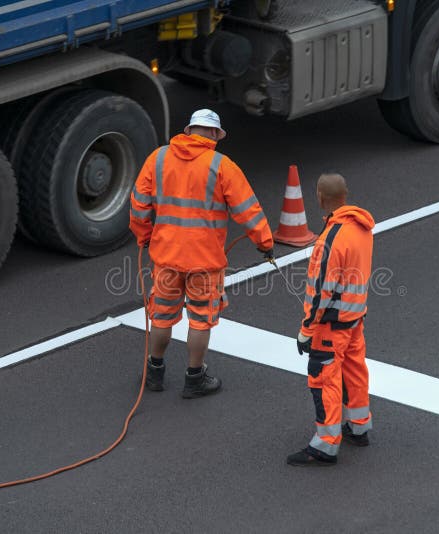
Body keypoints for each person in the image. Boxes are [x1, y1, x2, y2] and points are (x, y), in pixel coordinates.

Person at [129, 109, 274, 398]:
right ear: (212, 133)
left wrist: (144, 236)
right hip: (204, 262)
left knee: (161, 315)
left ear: (190, 130)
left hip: (167, 256)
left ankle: (154, 372)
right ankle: (194, 378)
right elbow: (247, 210)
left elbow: (139, 204)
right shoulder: (222, 166)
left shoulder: (158, 158)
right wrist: (265, 243)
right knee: (200, 320)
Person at [287, 172, 375, 466]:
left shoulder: (329, 240)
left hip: (331, 325)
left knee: (324, 380)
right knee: (354, 372)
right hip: (355, 318)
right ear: (346, 194)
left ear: (320, 198)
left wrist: (306, 330)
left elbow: (319, 292)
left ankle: (326, 444)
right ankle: (358, 426)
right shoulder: (362, 228)